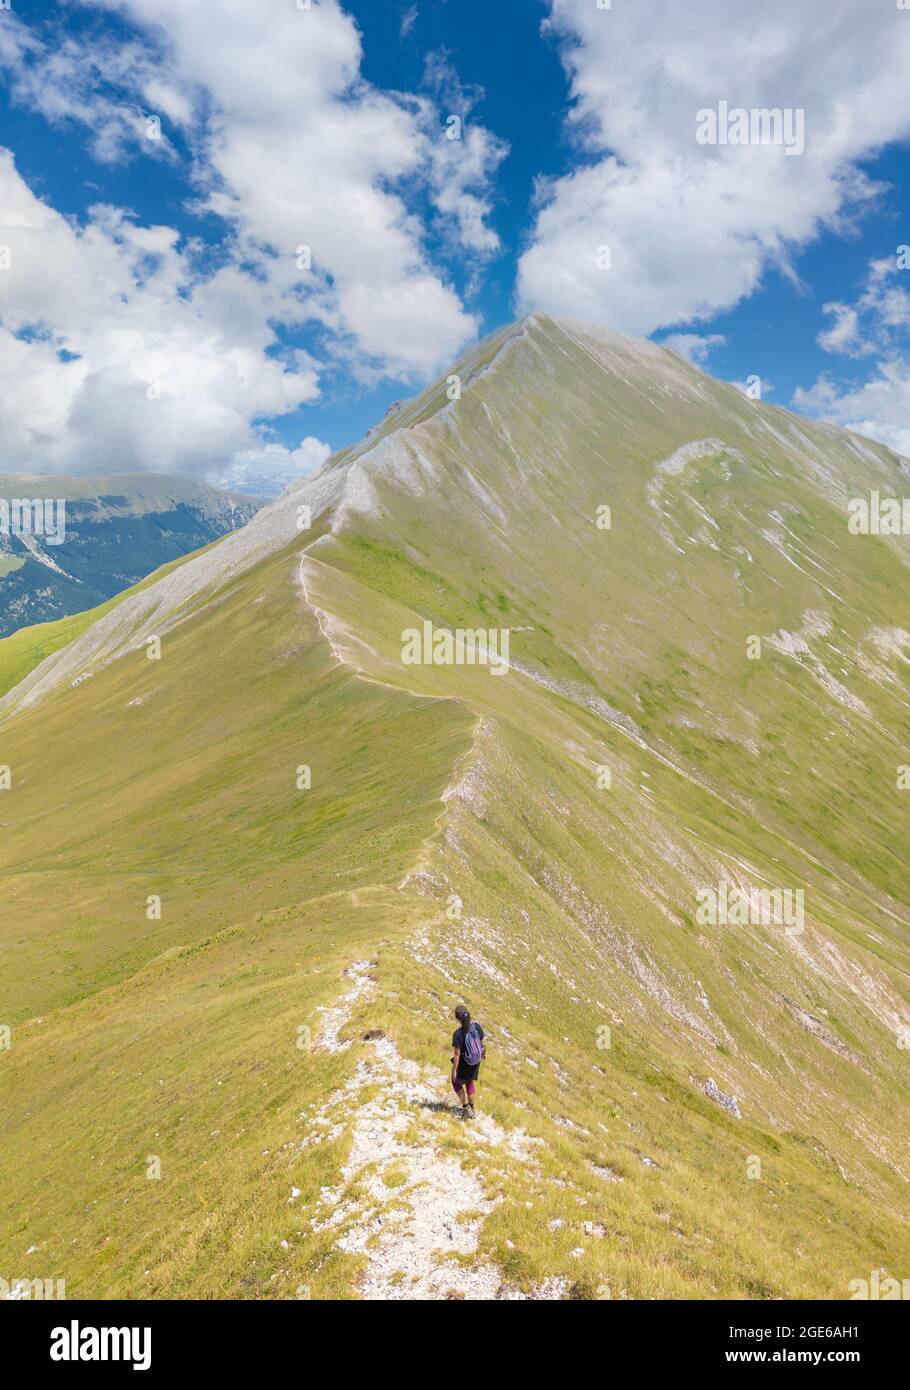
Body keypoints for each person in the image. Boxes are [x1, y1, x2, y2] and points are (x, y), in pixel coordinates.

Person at [451, 1004, 486, 1120]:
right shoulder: (476, 1026)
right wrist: (483, 1053)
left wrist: (454, 1071)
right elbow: (482, 1043)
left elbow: (456, 1055)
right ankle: (472, 1108)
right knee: (469, 1083)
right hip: (476, 1062)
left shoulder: (458, 1034)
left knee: (456, 1082)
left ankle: (466, 1107)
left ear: (458, 1019)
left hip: (464, 1063)